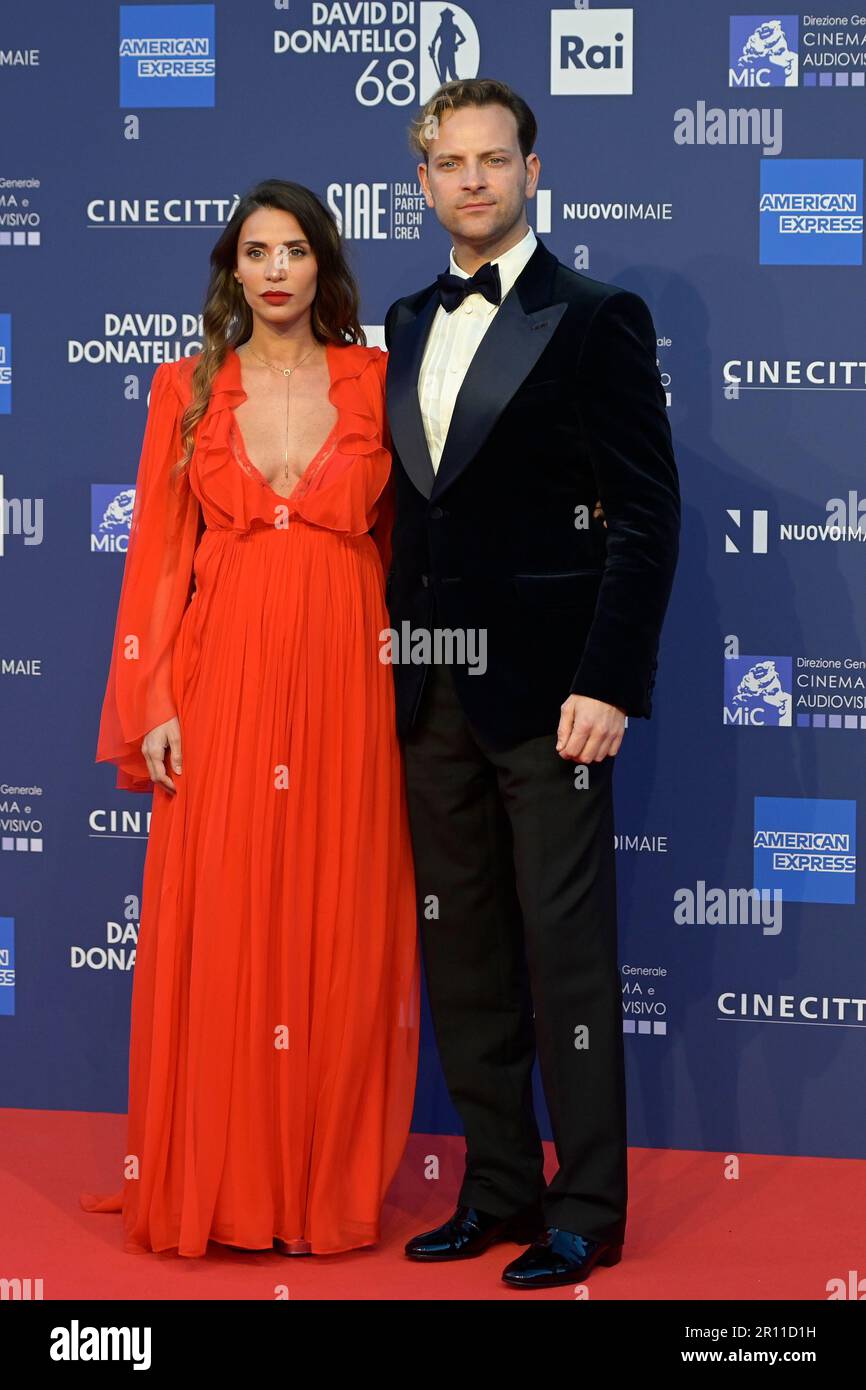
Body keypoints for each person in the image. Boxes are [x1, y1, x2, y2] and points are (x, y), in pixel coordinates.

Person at [80, 179, 420, 1258]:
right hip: (221, 678)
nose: (275, 270)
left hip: (348, 676)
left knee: (336, 918)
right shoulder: (183, 387)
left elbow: (425, 543)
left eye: (295, 250)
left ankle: (315, 1189)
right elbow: (158, 562)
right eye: (256, 252)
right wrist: (154, 698)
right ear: (232, 269)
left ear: (324, 265)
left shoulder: (377, 378)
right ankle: (220, 1184)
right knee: (225, 914)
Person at [383, 80, 681, 1290]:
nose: (471, 181)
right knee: (460, 953)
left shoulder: (596, 315)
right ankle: (495, 1188)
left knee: (565, 957)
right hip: (426, 691)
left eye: (491, 161)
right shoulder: (404, 318)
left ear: (530, 170)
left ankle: (585, 1210)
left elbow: (645, 517)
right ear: (423, 183)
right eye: (449, 163)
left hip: (554, 694)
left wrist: (607, 679)